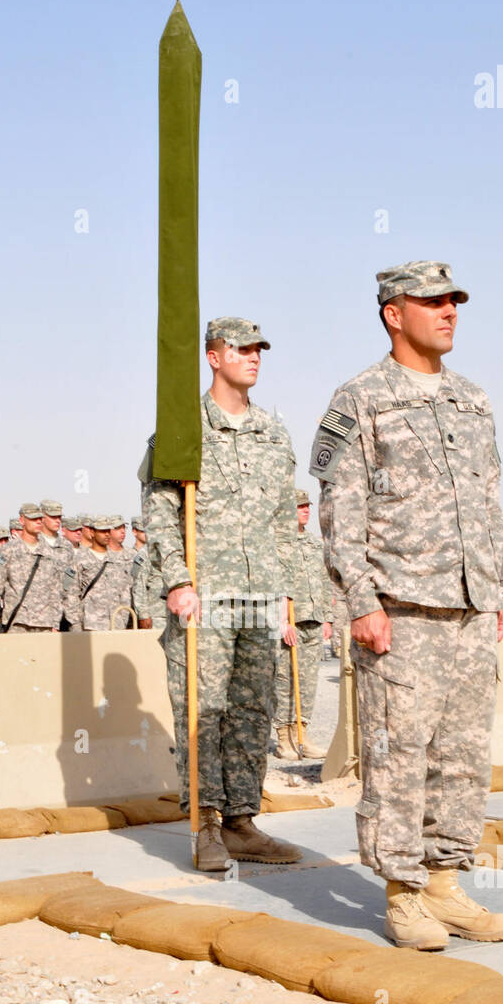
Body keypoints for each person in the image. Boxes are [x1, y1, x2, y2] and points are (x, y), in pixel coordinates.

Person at [310, 260, 503, 950]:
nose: (448, 311)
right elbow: (340, 510)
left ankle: (444, 886)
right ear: (392, 313)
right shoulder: (360, 398)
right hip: (399, 609)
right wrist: (361, 601)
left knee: (462, 757)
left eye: (453, 300)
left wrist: (497, 591)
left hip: (467, 607)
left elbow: (487, 502)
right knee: (399, 755)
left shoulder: (472, 399)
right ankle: (401, 896)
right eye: (431, 302)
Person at [141, 315, 300, 872]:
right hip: (205, 596)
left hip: (261, 596)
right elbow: (160, 514)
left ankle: (240, 821)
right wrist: (178, 580)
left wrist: (288, 594)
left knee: (254, 710)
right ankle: (205, 822)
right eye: (242, 349)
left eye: (260, 349)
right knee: (202, 711)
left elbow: (285, 521)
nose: (254, 357)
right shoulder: (183, 427)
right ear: (213, 356)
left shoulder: (273, 433)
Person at [274, 488, 332, 759]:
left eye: (307, 505)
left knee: (308, 683)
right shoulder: (278, 544)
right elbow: (274, 585)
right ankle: (284, 738)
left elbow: (323, 580)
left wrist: (328, 619)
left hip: (313, 618)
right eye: (300, 506)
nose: (306, 510)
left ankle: (302, 735)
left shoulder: (312, 543)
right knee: (285, 680)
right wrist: (282, 620)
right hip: (290, 621)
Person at [0, 503, 78, 633]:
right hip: (17, 622)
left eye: (39, 518)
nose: (38, 521)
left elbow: (55, 591)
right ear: (22, 520)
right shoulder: (8, 550)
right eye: (33, 519)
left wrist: (55, 624)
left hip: (45, 623)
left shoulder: (50, 553)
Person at [75, 515, 132, 630]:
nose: (107, 534)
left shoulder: (118, 559)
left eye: (108, 531)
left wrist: (123, 619)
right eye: (102, 531)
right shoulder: (80, 559)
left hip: (116, 624)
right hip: (91, 624)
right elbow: (72, 593)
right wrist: (75, 624)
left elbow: (125, 592)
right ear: (92, 532)